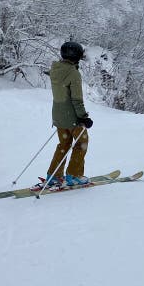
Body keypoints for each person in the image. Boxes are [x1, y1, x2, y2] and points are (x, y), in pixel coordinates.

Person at [45, 41, 94, 187]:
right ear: (77, 56)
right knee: (81, 143)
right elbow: (77, 99)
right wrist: (84, 117)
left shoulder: (55, 69)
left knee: (64, 144)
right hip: (72, 117)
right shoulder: (73, 73)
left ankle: (53, 176)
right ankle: (74, 175)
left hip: (58, 116)